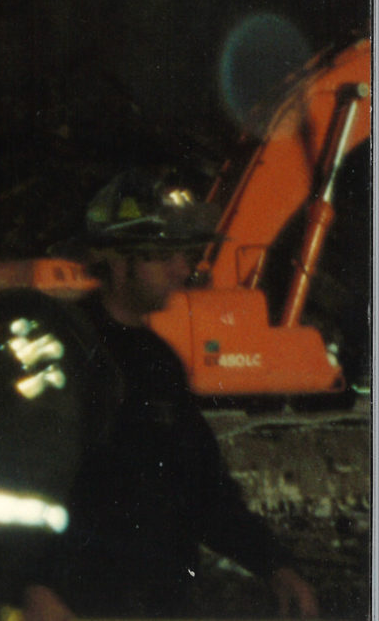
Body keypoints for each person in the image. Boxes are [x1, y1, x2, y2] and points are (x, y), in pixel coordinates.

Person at [27, 170, 316, 619]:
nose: (184, 269)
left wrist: (274, 565)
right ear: (119, 260)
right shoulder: (61, 351)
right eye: (165, 256)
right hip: (80, 601)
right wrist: (35, 586)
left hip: (159, 601)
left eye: (183, 254)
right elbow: (12, 481)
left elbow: (202, 484)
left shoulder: (159, 361)